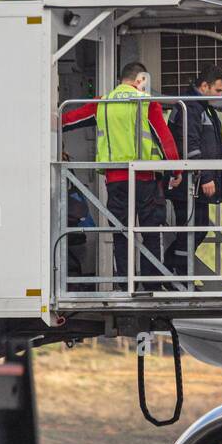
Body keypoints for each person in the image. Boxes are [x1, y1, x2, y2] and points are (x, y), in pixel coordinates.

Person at [63, 62, 180, 289]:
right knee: (150, 233)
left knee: (121, 233)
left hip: (116, 180)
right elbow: (165, 138)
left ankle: (125, 284)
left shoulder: (103, 102)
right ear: (140, 80)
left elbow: (68, 120)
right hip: (145, 179)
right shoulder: (146, 103)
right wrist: (175, 170)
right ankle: (151, 285)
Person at [166, 66, 222, 279]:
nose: (221, 95)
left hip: (194, 181)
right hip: (188, 182)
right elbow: (190, 144)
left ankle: (172, 268)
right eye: (218, 90)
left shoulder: (201, 107)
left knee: (198, 227)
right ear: (205, 86)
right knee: (192, 229)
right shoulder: (192, 107)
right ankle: (176, 270)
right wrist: (206, 175)